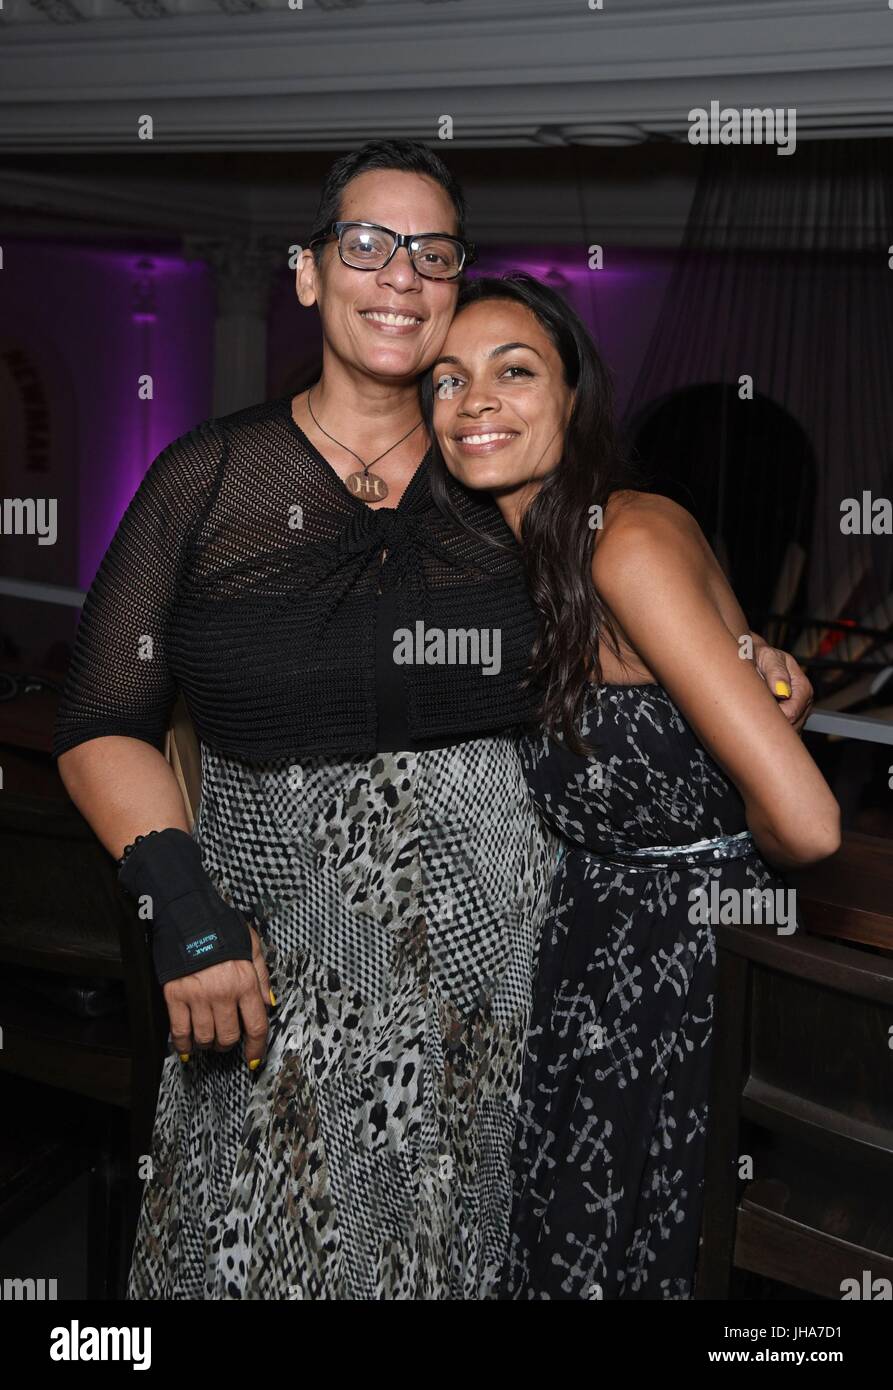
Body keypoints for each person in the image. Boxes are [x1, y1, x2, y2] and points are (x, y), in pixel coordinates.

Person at [53, 141, 812, 1302]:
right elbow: (103, 714)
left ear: (454, 285)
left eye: (432, 253)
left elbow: (636, 613)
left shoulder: (496, 482)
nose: (398, 275)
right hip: (279, 961)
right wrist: (183, 909)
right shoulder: (204, 480)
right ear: (307, 275)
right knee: (260, 1248)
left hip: (503, 973)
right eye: (365, 244)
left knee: (459, 1253)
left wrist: (754, 656)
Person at [426, 271, 840, 1299]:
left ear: (573, 396)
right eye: (446, 379)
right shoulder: (517, 557)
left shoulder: (630, 539)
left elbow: (807, 821)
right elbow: (745, 666)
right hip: (584, 948)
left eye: (511, 370)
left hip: (677, 968)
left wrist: (719, 867)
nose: (474, 400)